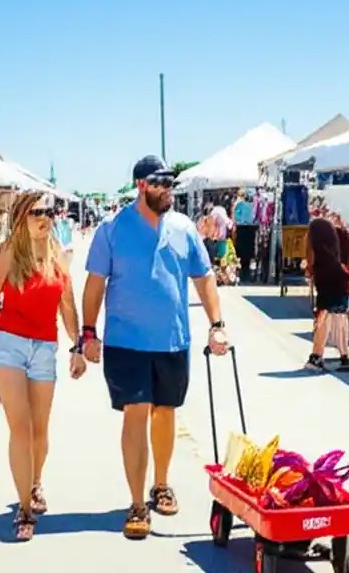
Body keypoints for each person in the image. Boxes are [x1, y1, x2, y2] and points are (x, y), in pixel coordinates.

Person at [81, 155, 228, 540]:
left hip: (172, 341)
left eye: (172, 186)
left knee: (165, 414)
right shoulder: (112, 229)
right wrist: (88, 333)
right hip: (125, 343)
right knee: (136, 412)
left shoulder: (183, 229)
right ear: (142, 186)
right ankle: (136, 503)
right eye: (162, 185)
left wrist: (217, 325)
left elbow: (205, 278)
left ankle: (161, 484)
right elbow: (95, 285)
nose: (169, 193)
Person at [0, 191, 87, 542]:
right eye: (36, 213)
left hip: (44, 348)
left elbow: (67, 306)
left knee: (41, 430)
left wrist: (78, 346)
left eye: (50, 211)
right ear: (20, 219)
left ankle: (35, 482)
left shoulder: (58, 256)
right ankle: (24, 508)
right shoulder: (10, 255)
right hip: (6, 346)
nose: (45, 218)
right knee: (22, 426)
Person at [305, 215, 349, 372]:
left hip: (329, 286)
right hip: (342, 284)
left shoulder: (321, 256)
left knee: (324, 319)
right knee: (340, 318)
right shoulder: (337, 245)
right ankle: (345, 357)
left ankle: (317, 356)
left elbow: (312, 260)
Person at [232, 190, 258, 283]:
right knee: (246, 253)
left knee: (245, 253)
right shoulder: (248, 205)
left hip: (245, 229)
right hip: (247, 229)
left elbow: (236, 216)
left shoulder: (245, 205)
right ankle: (245, 272)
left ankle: (245, 272)